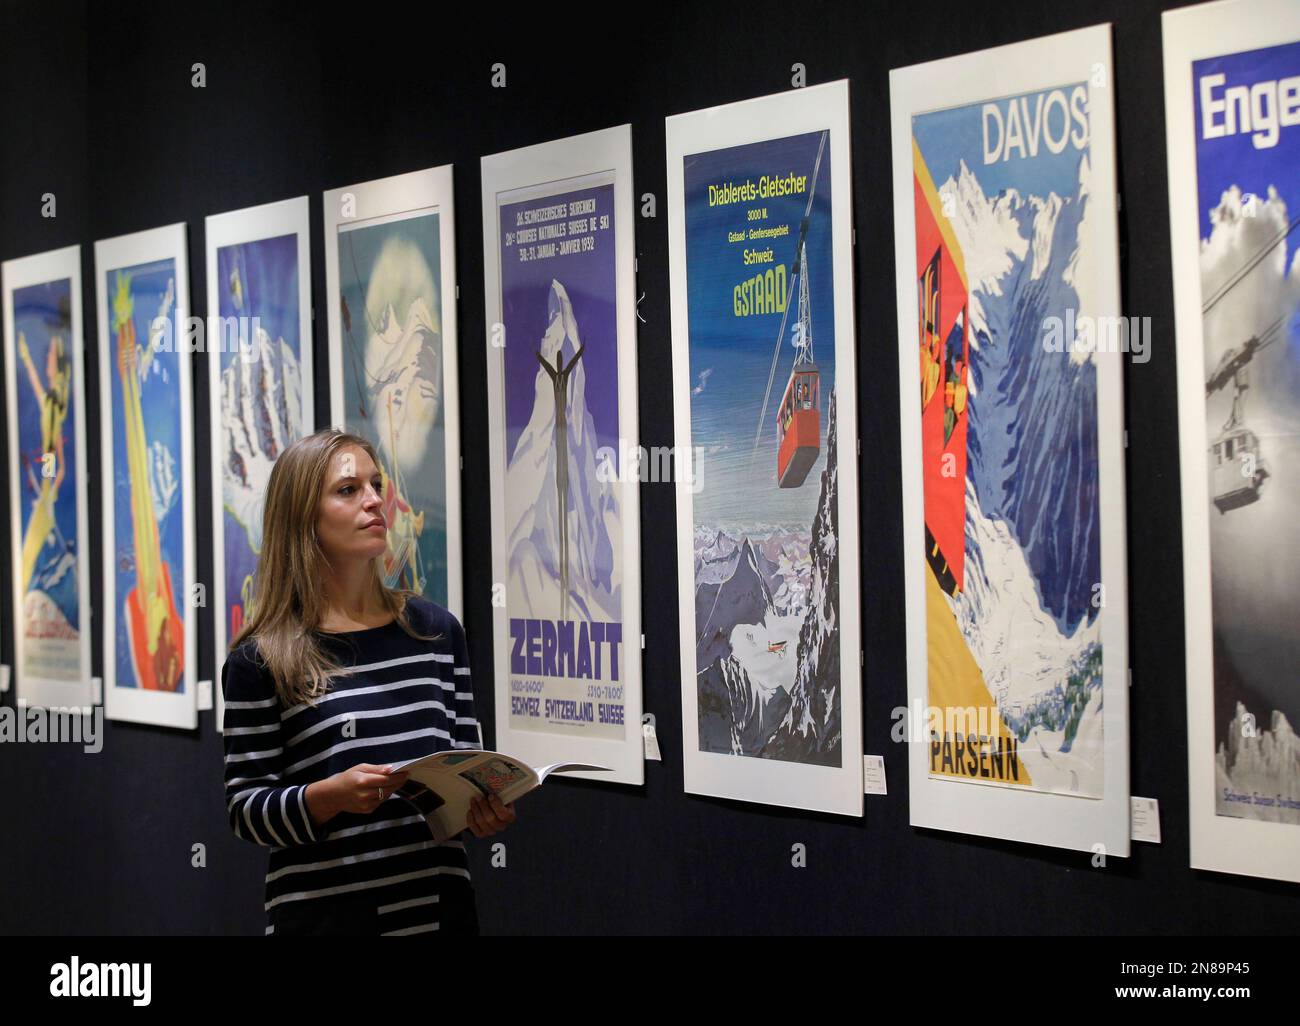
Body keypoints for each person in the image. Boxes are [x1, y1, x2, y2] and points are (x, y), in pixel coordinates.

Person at [220, 428, 515, 936]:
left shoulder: (437, 632)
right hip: (324, 919)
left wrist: (482, 810)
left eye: (377, 484)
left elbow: (465, 769)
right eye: (348, 489)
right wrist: (326, 796)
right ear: (302, 518)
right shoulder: (261, 658)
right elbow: (246, 809)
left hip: (437, 913)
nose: (376, 501)